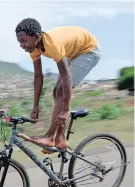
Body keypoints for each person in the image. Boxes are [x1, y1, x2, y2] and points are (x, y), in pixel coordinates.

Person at [15, 18, 101, 152]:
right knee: (56, 92)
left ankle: (50, 137)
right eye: (19, 41)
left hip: (88, 50)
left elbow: (67, 77)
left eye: (24, 41)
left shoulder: (52, 44)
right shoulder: (34, 48)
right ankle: (60, 139)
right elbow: (38, 77)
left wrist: (66, 110)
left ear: (36, 37)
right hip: (72, 52)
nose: (21, 45)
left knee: (61, 91)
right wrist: (35, 106)